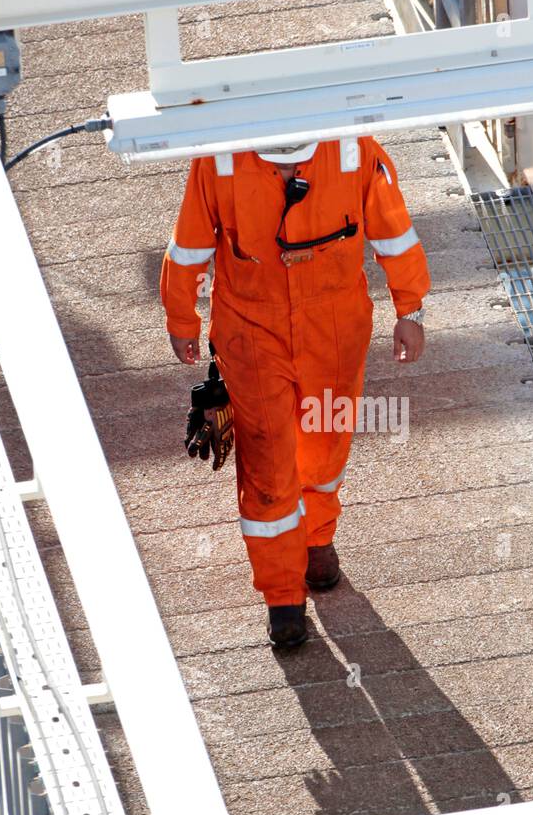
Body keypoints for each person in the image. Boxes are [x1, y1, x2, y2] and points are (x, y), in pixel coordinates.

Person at [161, 135, 430, 648]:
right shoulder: (218, 161)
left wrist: (410, 309)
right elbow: (191, 243)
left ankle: (317, 540)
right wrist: (181, 316)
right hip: (251, 331)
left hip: (333, 330)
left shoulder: (354, 150)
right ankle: (282, 595)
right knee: (266, 464)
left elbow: (393, 230)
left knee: (326, 448)